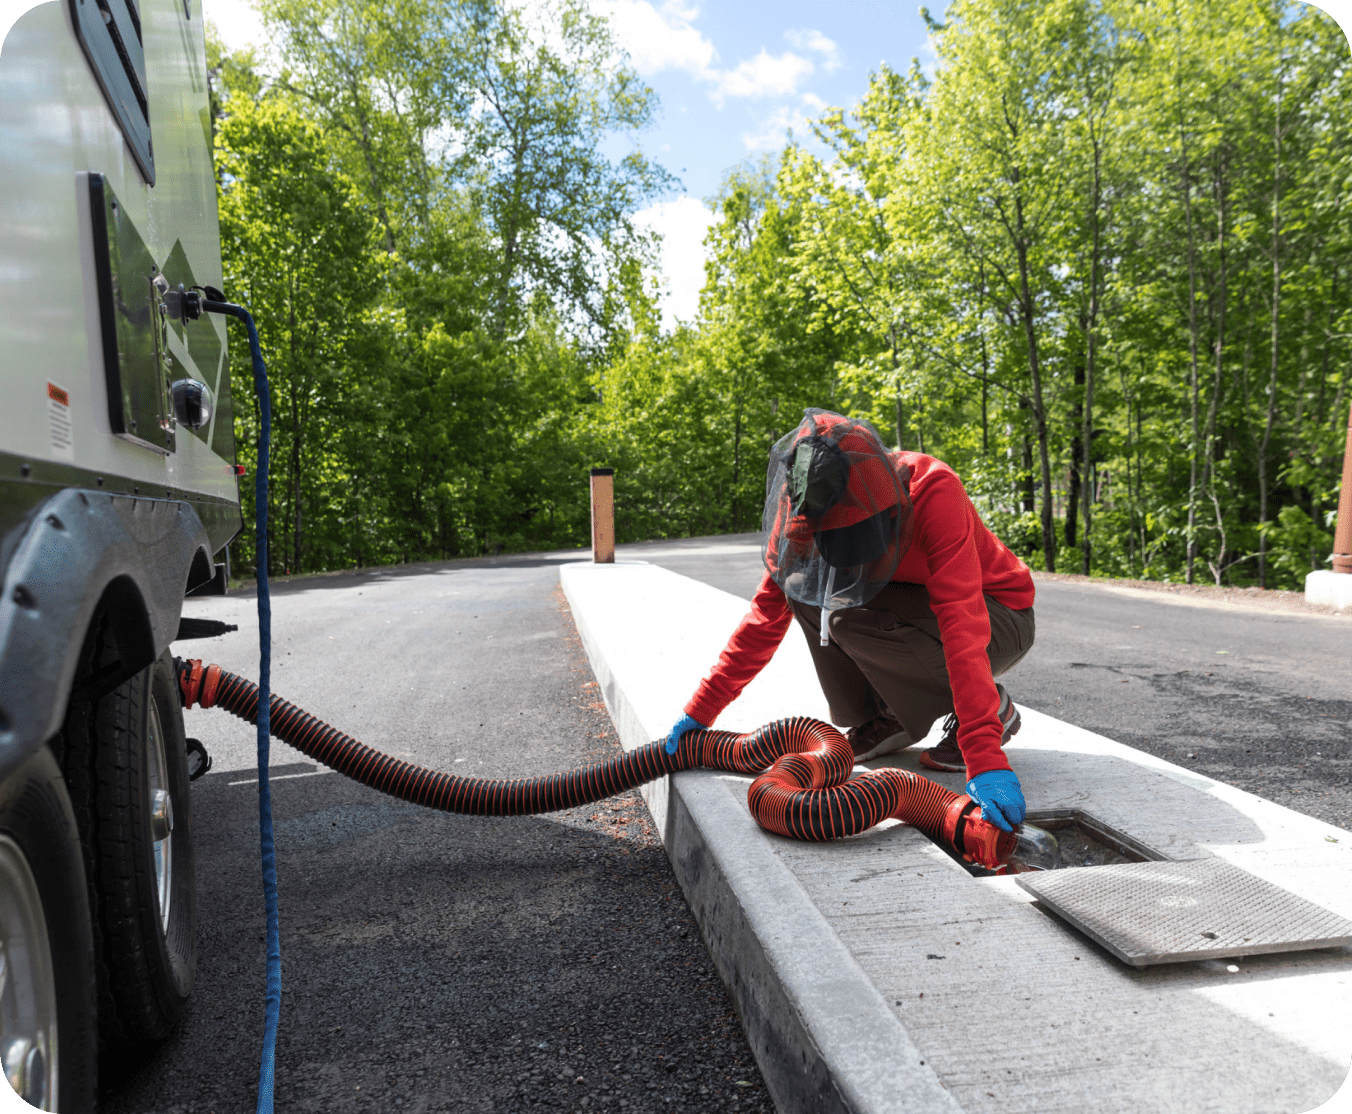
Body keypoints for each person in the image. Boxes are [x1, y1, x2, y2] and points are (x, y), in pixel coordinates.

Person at [663, 408, 1036, 832]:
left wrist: (984, 755)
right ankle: (890, 715)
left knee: (847, 617)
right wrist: (701, 710)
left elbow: (962, 623)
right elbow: (765, 617)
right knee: (803, 589)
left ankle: (995, 709)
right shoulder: (800, 510)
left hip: (1000, 616)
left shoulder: (933, 489)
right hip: (918, 607)